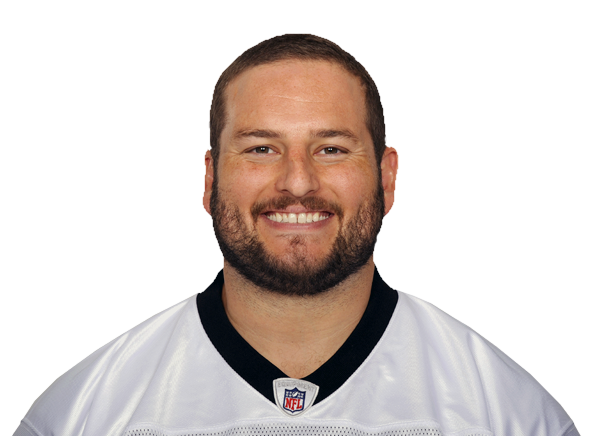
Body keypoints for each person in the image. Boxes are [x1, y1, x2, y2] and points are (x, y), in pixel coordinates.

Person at [15, 33, 578, 436]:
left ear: (387, 178)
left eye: (331, 148)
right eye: (261, 148)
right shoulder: (84, 414)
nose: (298, 181)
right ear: (210, 179)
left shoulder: (509, 414)